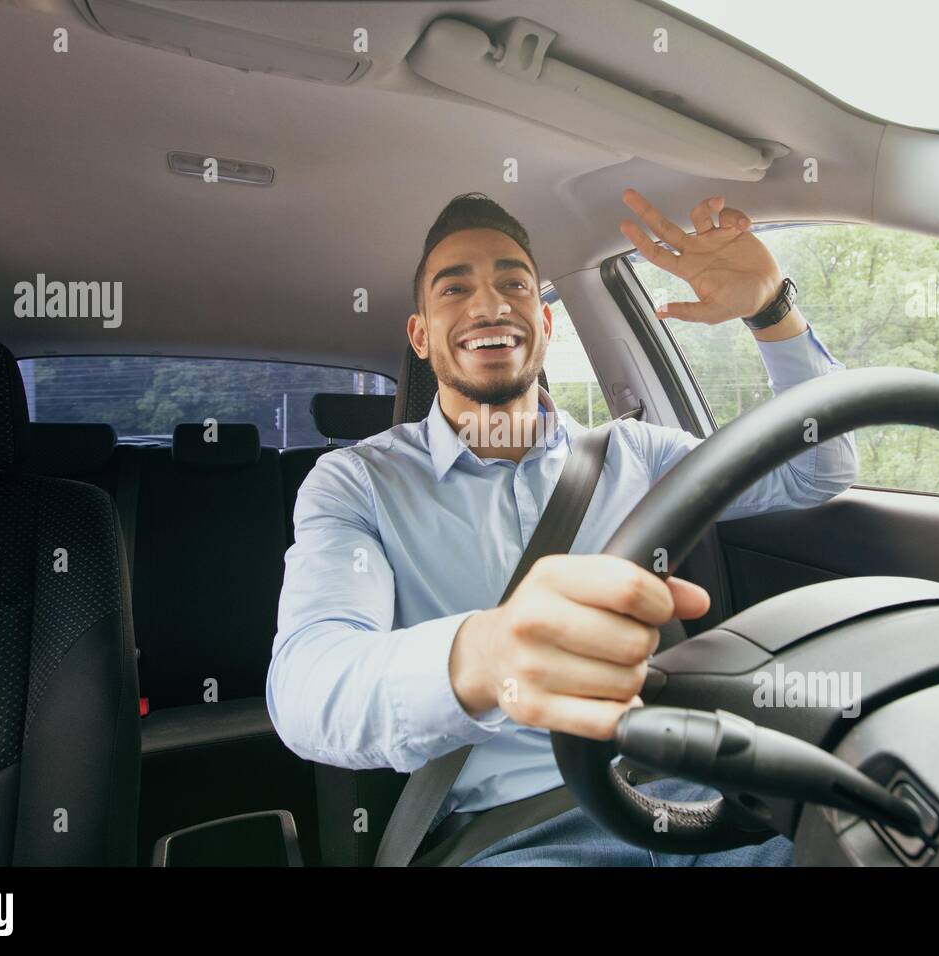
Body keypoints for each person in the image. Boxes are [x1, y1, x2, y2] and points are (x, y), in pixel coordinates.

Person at [267, 188, 858, 865]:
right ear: (421, 336)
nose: (489, 305)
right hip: (518, 834)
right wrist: (483, 655)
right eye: (454, 290)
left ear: (545, 324)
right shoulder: (358, 483)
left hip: (692, 799)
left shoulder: (639, 453)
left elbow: (818, 473)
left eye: (513, 283)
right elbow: (307, 687)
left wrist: (771, 310)